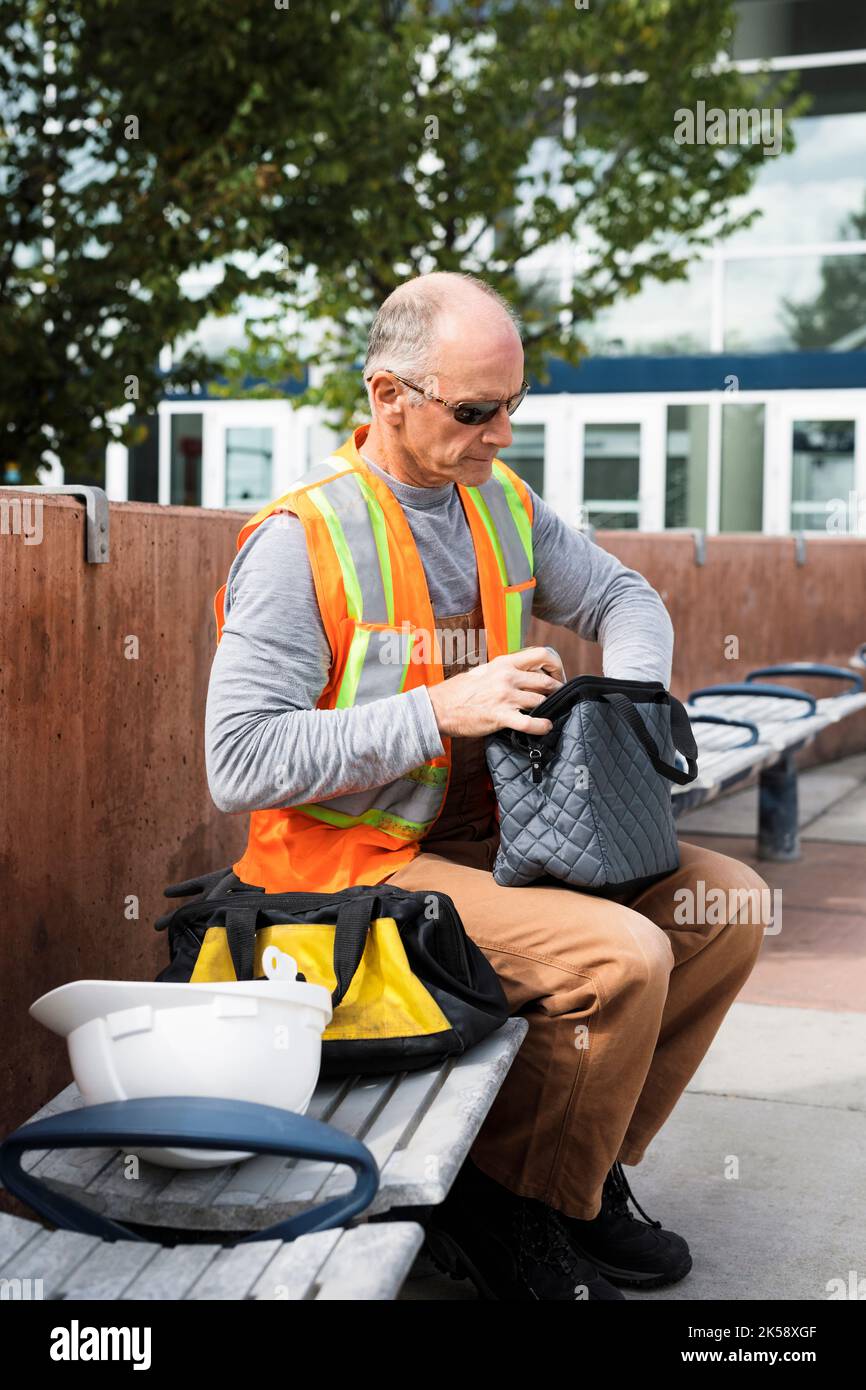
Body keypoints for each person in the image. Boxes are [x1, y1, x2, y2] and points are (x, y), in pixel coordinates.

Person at [205, 270, 768, 1301]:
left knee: (723, 905)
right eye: (474, 411)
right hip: (345, 877)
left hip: (492, 848)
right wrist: (438, 711)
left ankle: (575, 1180)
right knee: (624, 953)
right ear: (388, 397)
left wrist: (621, 705)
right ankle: (507, 1207)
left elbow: (622, 594)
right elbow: (237, 759)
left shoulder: (497, 501)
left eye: (511, 405)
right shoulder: (300, 540)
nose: (500, 433)